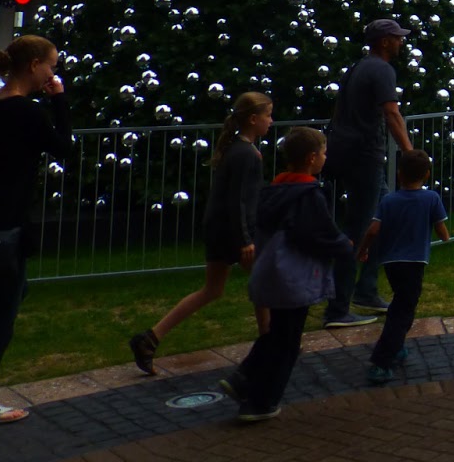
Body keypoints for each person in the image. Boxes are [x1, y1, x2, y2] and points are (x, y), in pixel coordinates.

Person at [130, 92, 274, 375]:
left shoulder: (237, 149)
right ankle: (270, 345)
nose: (271, 121)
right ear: (254, 119)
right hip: (233, 232)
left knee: (213, 289)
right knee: (263, 283)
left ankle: (150, 338)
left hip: (219, 228)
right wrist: (245, 239)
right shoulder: (246, 154)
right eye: (268, 115)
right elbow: (238, 200)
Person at [221, 127, 354, 422]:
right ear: (311, 158)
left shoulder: (273, 191)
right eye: (323, 152)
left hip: (270, 273)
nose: (325, 157)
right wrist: (344, 246)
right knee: (288, 341)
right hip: (295, 278)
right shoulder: (308, 195)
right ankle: (261, 400)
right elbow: (317, 233)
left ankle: (244, 376)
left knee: (277, 332)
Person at [0, 36, 71, 426]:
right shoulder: (28, 112)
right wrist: (59, 99)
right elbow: (64, 148)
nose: (53, 73)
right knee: (2, 313)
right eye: (51, 66)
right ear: (35, 64)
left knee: (11, 294)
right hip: (6, 225)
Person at [322, 18, 414, 329]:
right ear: (385, 42)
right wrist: (409, 153)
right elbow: (391, 112)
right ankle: (337, 309)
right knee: (357, 230)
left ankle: (366, 290)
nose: (401, 42)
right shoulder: (382, 69)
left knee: (383, 220)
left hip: (350, 152)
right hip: (364, 157)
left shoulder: (360, 66)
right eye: (397, 38)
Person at [358, 149, 450, 384]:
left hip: (391, 262)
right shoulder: (431, 198)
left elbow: (373, 230)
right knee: (403, 310)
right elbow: (441, 228)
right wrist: (445, 237)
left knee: (401, 303)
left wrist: (364, 249)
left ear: (399, 174)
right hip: (415, 261)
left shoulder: (389, 200)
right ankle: (382, 360)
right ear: (427, 175)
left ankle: (395, 345)